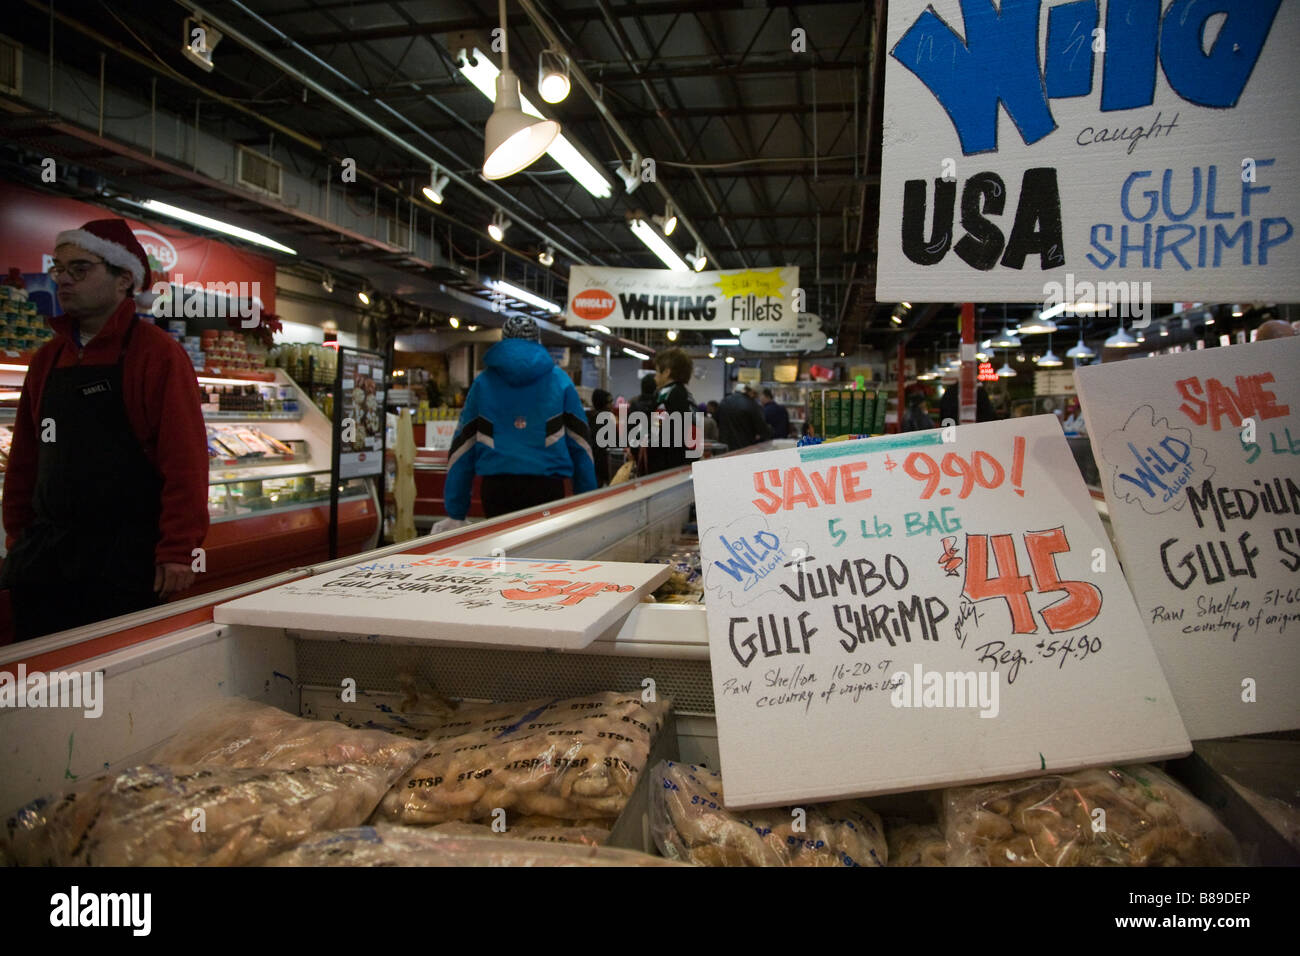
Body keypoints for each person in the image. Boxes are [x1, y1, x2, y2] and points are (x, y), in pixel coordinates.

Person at [1, 219, 209, 641]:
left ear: (124, 279)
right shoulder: (46, 360)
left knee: (115, 690)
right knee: (41, 687)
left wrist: (177, 551)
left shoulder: (157, 356)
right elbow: (26, 458)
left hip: (124, 562)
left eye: (80, 268)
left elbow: (185, 462)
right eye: (59, 268)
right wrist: (17, 536)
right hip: (44, 560)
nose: (63, 280)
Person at [439, 315, 596, 524]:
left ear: (503, 341)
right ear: (538, 342)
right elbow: (580, 444)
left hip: (497, 489)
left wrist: (456, 510)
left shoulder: (483, 384)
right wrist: (587, 498)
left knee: (502, 553)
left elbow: (462, 448)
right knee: (541, 553)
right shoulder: (560, 382)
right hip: (546, 488)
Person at [644, 347, 698, 474]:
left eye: (657, 372)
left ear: (667, 372)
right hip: (687, 465)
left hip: (666, 467)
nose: (655, 377)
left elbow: (655, 431)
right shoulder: (688, 396)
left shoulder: (665, 396)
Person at [717, 382, 772, 451]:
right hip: (743, 447)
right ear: (753, 393)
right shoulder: (752, 405)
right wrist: (770, 430)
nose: (756, 398)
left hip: (724, 446)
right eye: (756, 395)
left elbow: (717, 421)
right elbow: (762, 429)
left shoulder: (725, 401)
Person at [586, 388, 613, 486]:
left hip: (592, 465)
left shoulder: (589, 418)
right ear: (603, 404)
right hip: (603, 467)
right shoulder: (606, 421)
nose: (611, 405)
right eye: (609, 403)